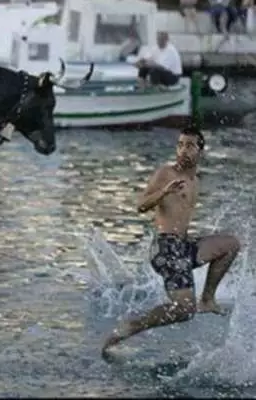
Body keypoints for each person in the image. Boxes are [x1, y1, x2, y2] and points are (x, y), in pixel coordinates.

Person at [102, 125, 241, 358]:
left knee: (231, 245)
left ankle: (207, 299)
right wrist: (164, 192)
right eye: (180, 145)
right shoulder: (166, 173)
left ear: (200, 151)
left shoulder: (194, 181)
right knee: (185, 310)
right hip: (166, 248)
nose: (183, 150)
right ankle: (131, 327)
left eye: (189, 145)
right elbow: (141, 205)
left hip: (183, 246)